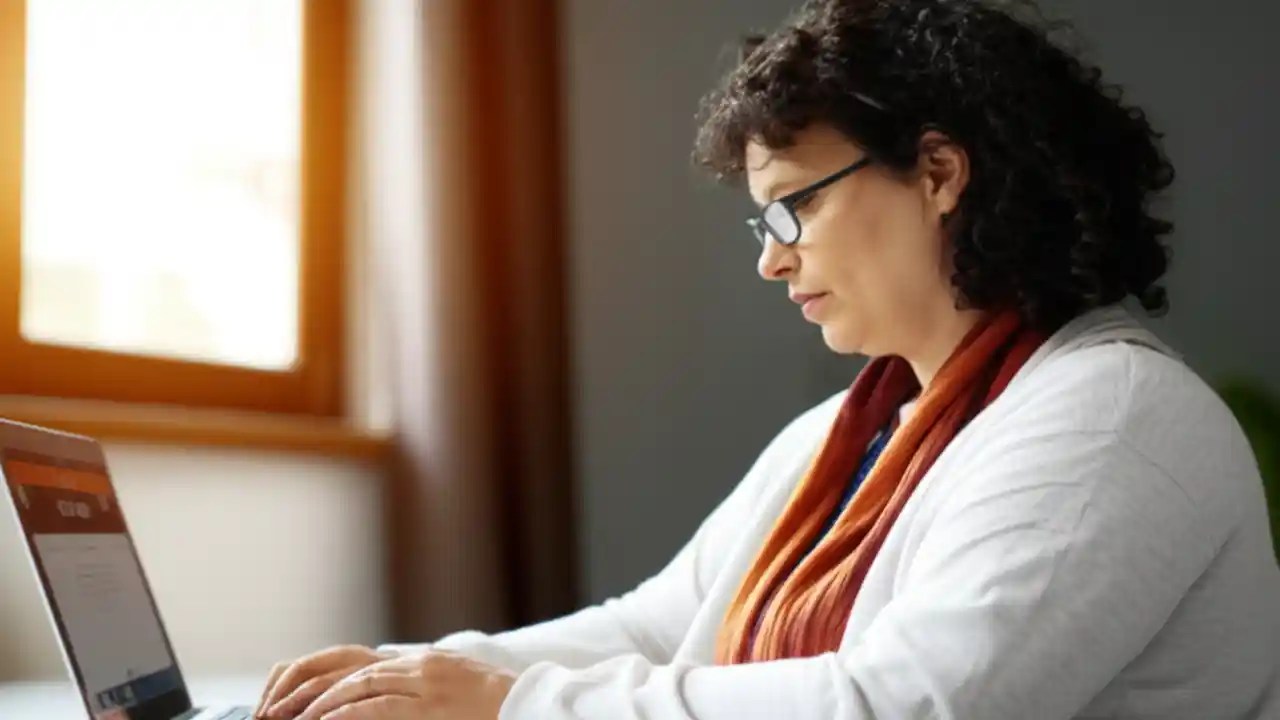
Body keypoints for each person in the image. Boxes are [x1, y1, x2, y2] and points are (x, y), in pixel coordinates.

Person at [254, 1, 1280, 718]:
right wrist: (398, 679)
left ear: (936, 172)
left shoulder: (1110, 414)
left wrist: (514, 707)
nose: (773, 258)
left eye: (793, 206)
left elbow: (910, 706)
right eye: (760, 225)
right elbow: (657, 628)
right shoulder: (848, 432)